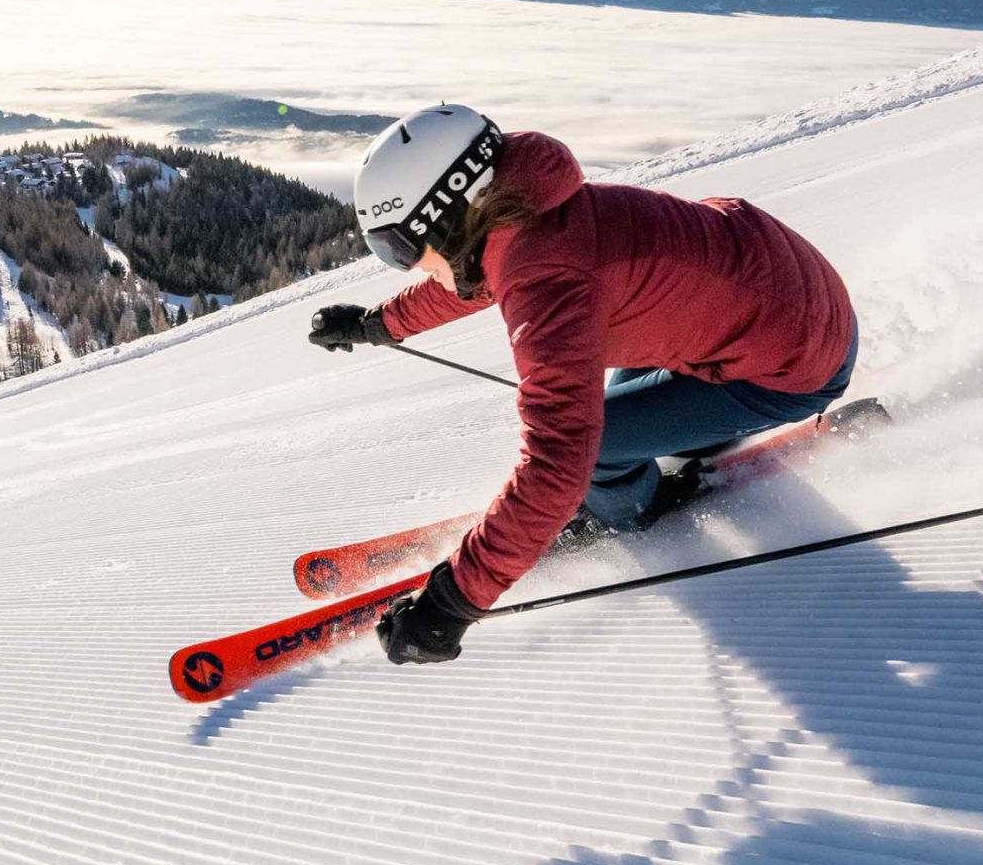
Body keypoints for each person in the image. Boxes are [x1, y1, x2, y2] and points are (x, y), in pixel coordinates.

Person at [309, 104, 858, 667]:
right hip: (768, 300)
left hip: (794, 359)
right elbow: (479, 276)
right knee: (607, 430)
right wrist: (378, 324)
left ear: (447, 216)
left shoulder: (548, 278)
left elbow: (559, 458)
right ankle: (633, 472)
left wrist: (453, 601)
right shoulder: (528, 210)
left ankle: (644, 512)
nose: (409, 266)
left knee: (594, 453)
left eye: (399, 248)